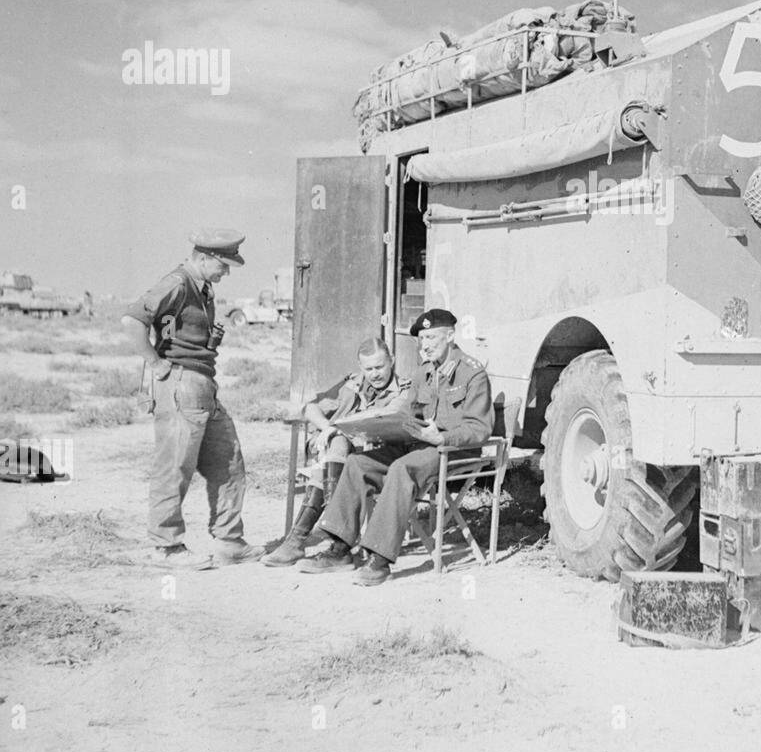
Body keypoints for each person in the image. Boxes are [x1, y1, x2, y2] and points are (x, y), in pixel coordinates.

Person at [299, 309, 493, 586]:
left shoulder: (472, 374)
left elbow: (479, 429)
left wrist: (442, 438)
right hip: (416, 446)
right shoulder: (423, 373)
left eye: (431, 337)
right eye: (422, 339)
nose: (425, 344)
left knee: (402, 468)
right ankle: (340, 549)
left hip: (450, 451)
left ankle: (379, 559)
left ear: (450, 336)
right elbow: (407, 415)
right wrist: (382, 426)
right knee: (358, 464)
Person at [120, 228, 264, 569]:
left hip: (203, 386)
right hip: (181, 385)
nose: (226, 273)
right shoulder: (178, 282)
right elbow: (132, 320)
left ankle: (229, 542)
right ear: (204, 258)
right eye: (224, 265)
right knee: (175, 467)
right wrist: (155, 363)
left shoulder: (202, 289)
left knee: (229, 464)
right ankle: (167, 548)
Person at [261, 336, 413, 567]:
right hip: (341, 457)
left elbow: (385, 418)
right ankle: (329, 543)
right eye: (369, 368)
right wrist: (327, 427)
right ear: (361, 367)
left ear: (392, 360)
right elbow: (311, 407)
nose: (375, 374)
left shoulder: (404, 389)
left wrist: (336, 428)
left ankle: (301, 541)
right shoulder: (351, 384)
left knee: (335, 448)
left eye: (380, 366)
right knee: (336, 447)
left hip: (378, 457)